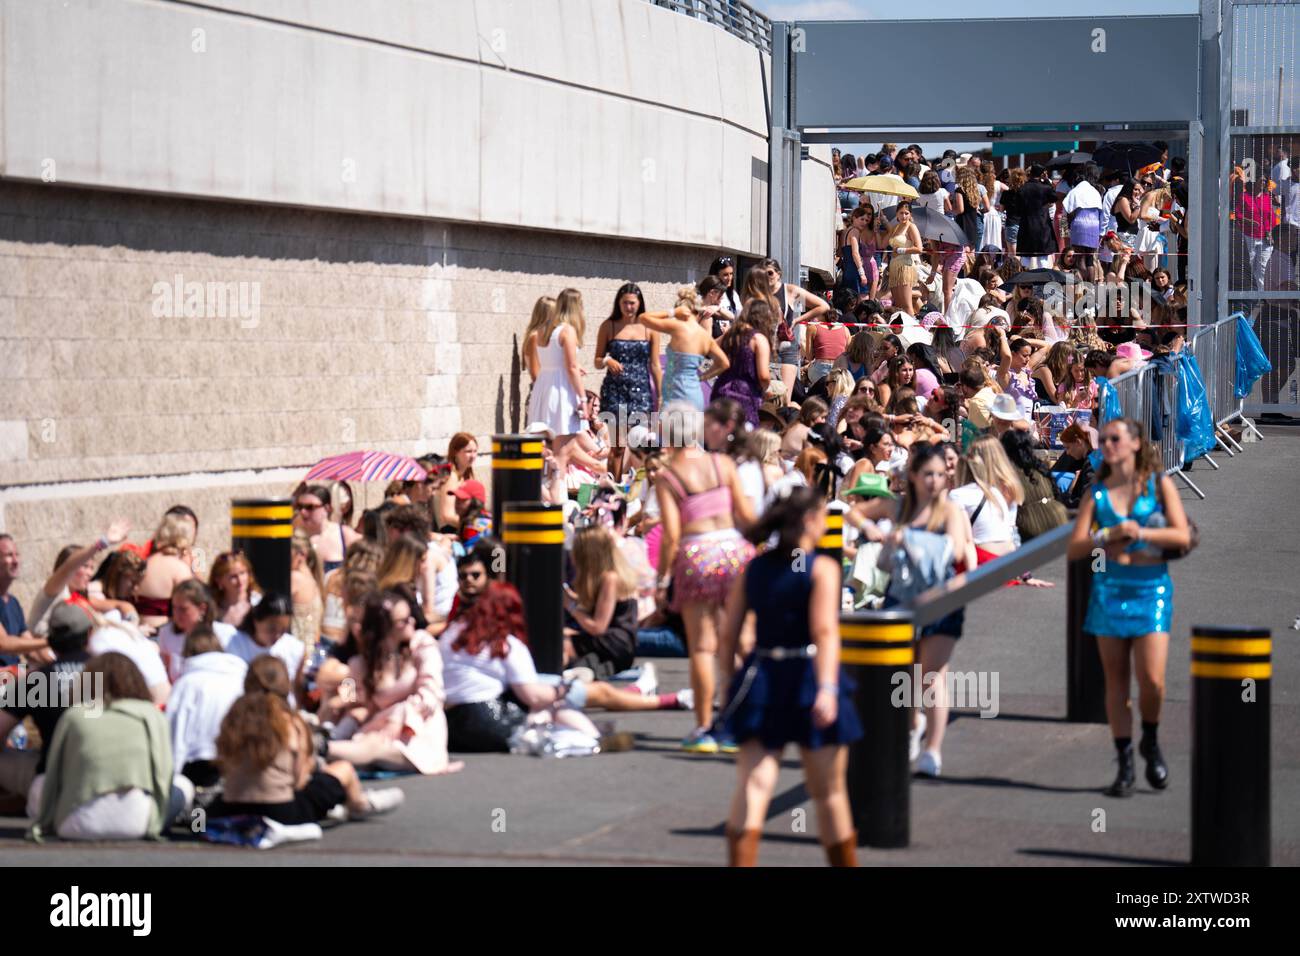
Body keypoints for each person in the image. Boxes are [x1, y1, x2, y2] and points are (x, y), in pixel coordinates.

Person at [718, 486, 862, 867]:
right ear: (809, 521)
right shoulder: (821, 568)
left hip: (763, 676)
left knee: (754, 783)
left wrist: (727, 687)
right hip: (808, 676)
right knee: (828, 791)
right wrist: (829, 688)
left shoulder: (756, 567)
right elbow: (825, 632)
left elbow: (728, 635)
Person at [1067, 418, 1191, 797]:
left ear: (1135, 444)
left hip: (1151, 589)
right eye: (1102, 439)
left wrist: (1140, 533)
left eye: (1115, 438)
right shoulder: (1097, 494)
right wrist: (1108, 535)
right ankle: (1123, 763)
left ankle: (1149, 739)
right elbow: (1075, 547)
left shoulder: (1158, 485)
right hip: (1108, 591)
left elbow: (1182, 534)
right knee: (1116, 681)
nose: (1107, 444)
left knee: (1152, 680)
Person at [655, 402, 756, 753]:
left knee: (702, 646)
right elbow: (746, 515)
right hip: (733, 551)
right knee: (742, 641)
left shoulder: (667, 476)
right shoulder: (723, 464)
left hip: (696, 553)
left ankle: (703, 728)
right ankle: (740, 722)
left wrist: (660, 581)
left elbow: (670, 535)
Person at [877, 444, 976, 778]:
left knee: (931, 676)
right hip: (901, 597)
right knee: (902, 674)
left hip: (941, 598)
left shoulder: (950, 510)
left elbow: (959, 550)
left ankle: (933, 750)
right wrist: (874, 533)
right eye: (927, 474)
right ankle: (912, 724)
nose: (935, 481)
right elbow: (853, 509)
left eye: (939, 474)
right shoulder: (901, 508)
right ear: (914, 477)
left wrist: (909, 542)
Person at [210, 666, 403, 825]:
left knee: (200, 809)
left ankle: (197, 826)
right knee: (342, 769)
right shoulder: (291, 720)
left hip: (232, 806)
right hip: (282, 811)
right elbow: (299, 779)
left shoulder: (233, 717)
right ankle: (359, 804)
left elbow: (222, 761)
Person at [30, 653, 183, 841]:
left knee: (39, 783)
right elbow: (164, 774)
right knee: (184, 786)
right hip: (139, 823)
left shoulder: (76, 715)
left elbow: (54, 773)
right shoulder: (152, 715)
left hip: (73, 824)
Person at [441, 580, 601, 752]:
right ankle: (595, 738)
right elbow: (533, 696)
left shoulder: (450, 635)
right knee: (553, 706)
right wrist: (560, 690)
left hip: (450, 728)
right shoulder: (505, 644)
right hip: (491, 724)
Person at [327, 590, 461, 775]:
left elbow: (431, 695)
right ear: (386, 629)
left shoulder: (422, 645)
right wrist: (338, 701)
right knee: (368, 743)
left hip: (418, 729)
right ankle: (320, 748)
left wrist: (400, 714)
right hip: (380, 728)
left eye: (411, 617)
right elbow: (354, 699)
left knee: (375, 747)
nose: (413, 622)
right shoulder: (362, 663)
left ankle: (318, 750)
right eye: (404, 620)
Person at [0, 604, 92, 812]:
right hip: (110, 783)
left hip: (54, 782)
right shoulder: (108, 671)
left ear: (50, 639)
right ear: (89, 634)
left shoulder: (38, 680)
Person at [167, 625, 248, 788]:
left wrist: (171, 775)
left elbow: (174, 727)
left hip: (197, 762)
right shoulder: (241, 677)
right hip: (238, 759)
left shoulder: (188, 683)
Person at [595, 283, 660, 475]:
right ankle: (613, 490)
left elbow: (655, 364)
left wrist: (662, 394)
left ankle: (640, 486)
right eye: (624, 303)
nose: (628, 307)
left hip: (640, 391)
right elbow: (597, 360)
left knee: (641, 442)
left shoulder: (650, 328)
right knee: (618, 447)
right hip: (616, 391)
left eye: (632, 303)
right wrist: (607, 360)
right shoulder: (609, 326)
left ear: (639, 303)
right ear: (618, 303)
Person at [526, 287, 588, 468]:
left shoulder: (541, 331)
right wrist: (583, 398)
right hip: (561, 389)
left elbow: (554, 359)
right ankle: (557, 489)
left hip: (544, 386)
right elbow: (571, 367)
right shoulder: (567, 331)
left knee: (544, 444)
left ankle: (546, 488)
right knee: (564, 447)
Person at [640, 287, 729, 411]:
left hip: (675, 392)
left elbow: (643, 318)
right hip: (694, 393)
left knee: (672, 430)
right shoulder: (704, 337)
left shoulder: (678, 327)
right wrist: (702, 377)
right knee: (693, 430)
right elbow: (724, 363)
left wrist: (672, 312)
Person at [949, 435, 1023, 564]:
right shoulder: (1002, 483)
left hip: (993, 550)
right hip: (1006, 548)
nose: (971, 458)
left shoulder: (1001, 487)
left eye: (974, 453)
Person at [155, 578, 238, 683]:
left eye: (183, 609)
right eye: (174, 608)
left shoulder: (226, 634)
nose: (177, 614)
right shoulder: (167, 633)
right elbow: (164, 674)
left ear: (202, 609)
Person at [711, 300, 772, 427]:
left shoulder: (730, 334)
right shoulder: (758, 339)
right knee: (743, 441)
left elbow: (708, 347)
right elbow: (764, 376)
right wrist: (765, 389)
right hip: (745, 395)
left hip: (721, 389)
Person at [133, 513, 195, 631]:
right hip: (165, 635)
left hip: (140, 632)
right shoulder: (179, 569)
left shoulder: (144, 563)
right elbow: (189, 608)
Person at [227, 593, 304, 683]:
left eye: (283, 631)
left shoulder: (295, 648)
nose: (277, 636)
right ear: (256, 621)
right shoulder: (234, 644)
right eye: (271, 629)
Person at [0, 534, 50, 664]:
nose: (16, 561)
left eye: (17, 554)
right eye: (9, 555)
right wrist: (51, 641)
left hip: (13, 675)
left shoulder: (13, 602)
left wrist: (59, 665)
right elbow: (3, 644)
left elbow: (29, 648)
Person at [293, 484, 362, 577]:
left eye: (310, 507)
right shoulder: (295, 538)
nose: (303, 512)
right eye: (300, 507)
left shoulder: (344, 535)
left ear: (327, 508)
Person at [433, 434, 481, 534]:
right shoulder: (451, 477)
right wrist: (475, 527)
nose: (473, 456)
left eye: (475, 451)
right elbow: (447, 515)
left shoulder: (466, 475)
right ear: (456, 453)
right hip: (449, 531)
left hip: (460, 527)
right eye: (468, 451)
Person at [881, 203, 924, 315]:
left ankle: (911, 329)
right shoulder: (895, 227)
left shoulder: (911, 226)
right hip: (894, 267)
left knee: (907, 304)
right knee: (899, 305)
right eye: (901, 213)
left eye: (906, 213)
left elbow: (919, 248)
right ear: (897, 214)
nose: (904, 216)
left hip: (905, 266)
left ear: (910, 214)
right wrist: (879, 227)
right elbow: (882, 244)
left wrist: (901, 250)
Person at [209, 550, 262, 628]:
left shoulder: (258, 603)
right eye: (233, 576)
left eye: (242, 573)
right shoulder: (211, 608)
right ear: (219, 580)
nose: (240, 580)